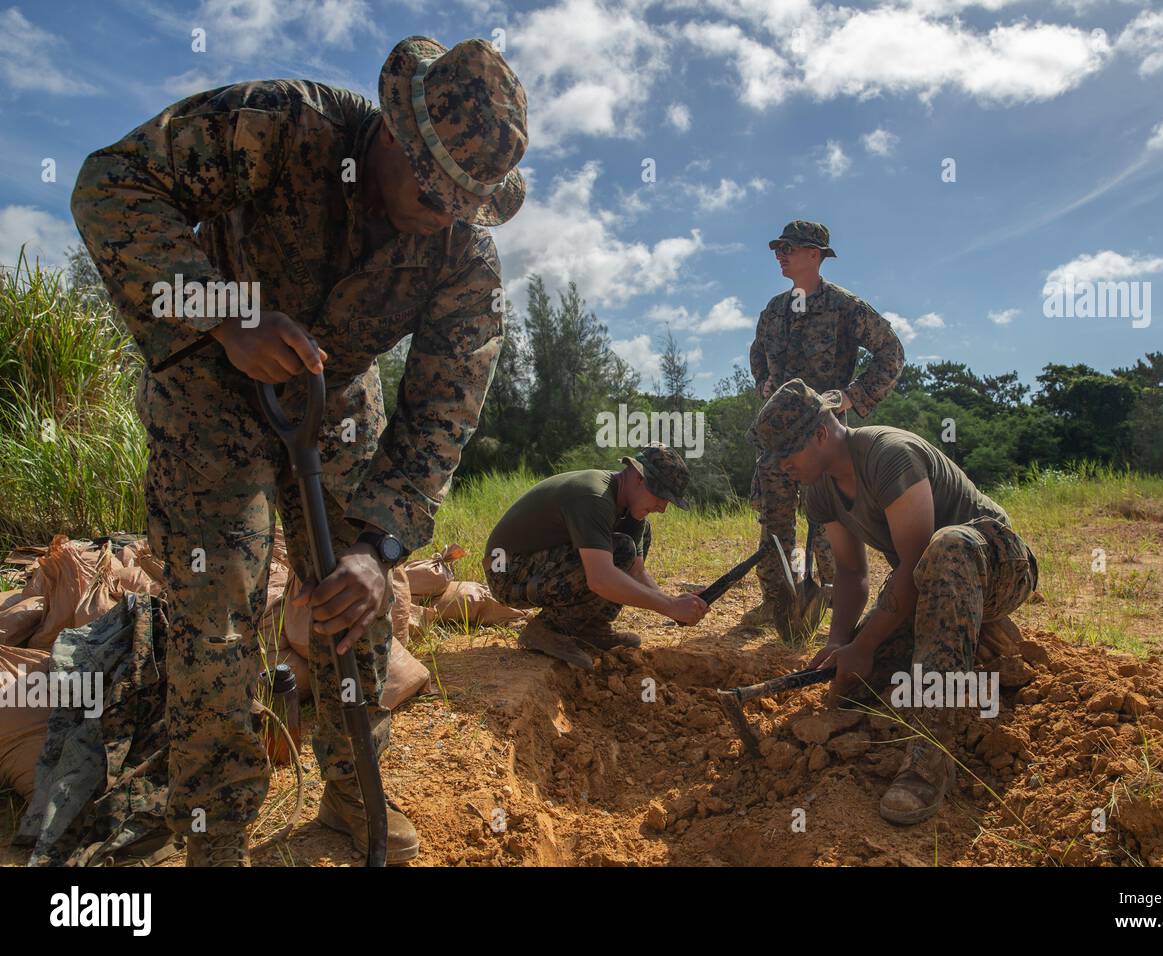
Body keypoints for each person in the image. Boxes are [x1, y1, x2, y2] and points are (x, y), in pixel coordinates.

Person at [69, 35, 529, 865]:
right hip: (211, 380)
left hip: (335, 399)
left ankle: (357, 801)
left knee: (358, 602)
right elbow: (111, 186)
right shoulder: (282, 124)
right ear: (393, 132)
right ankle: (217, 833)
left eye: (466, 204)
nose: (443, 216)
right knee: (218, 606)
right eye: (433, 191)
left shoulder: (462, 255)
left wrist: (379, 547)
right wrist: (225, 314)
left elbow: (443, 410)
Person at [751, 380, 1038, 825]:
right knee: (860, 682)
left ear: (821, 434)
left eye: (788, 454)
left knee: (945, 549)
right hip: (929, 581)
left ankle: (929, 758)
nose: (783, 467)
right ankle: (975, 631)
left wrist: (864, 644)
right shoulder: (819, 489)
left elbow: (916, 561)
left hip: (997, 565)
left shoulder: (889, 455)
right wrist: (841, 643)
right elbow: (851, 573)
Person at [745, 221, 904, 639]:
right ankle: (778, 603)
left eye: (789, 248)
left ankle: (835, 604)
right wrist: (763, 383)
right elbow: (757, 354)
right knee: (775, 521)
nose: (780, 255)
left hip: (824, 439)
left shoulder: (844, 307)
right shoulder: (773, 311)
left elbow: (891, 352)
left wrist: (854, 396)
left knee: (829, 520)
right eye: (777, 248)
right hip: (779, 440)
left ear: (814, 255)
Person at [484, 445, 708, 669]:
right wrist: (669, 606)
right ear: (639, 478)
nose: (663, 508)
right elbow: (600, 578)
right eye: (661, 495)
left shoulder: (630, 509)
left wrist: (675, 605)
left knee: (636, 538)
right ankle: (546, 629)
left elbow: (636, 572)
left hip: (539, 567)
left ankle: (590, 628)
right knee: (622, 549)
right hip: (506, 573)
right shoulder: (594, 496)